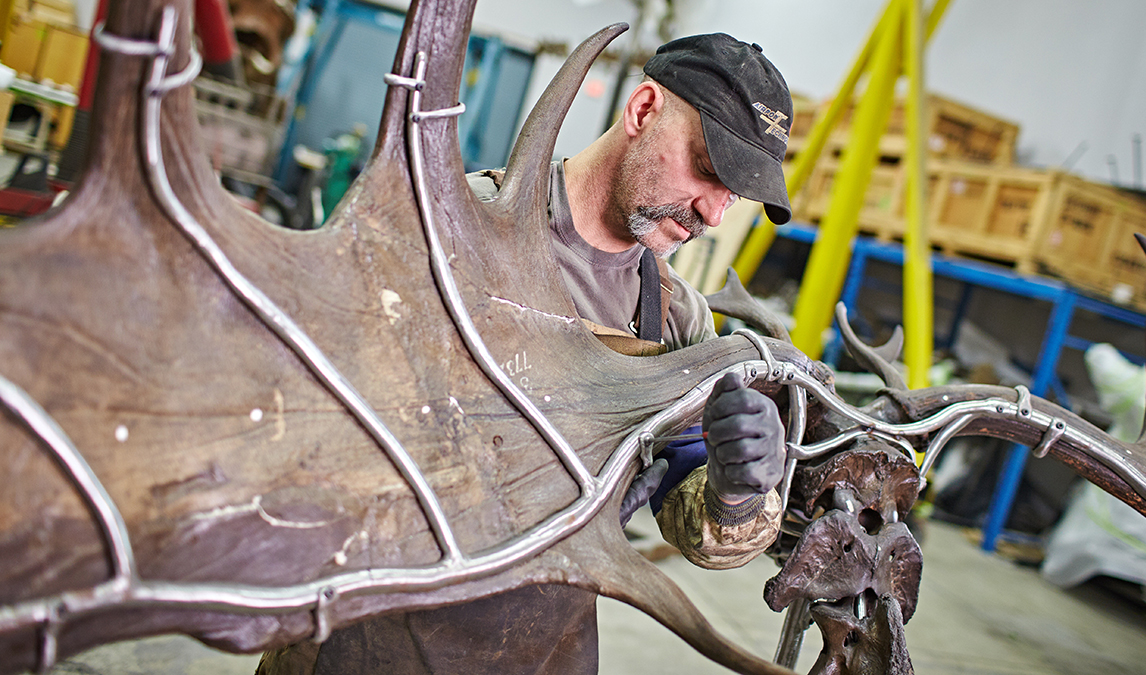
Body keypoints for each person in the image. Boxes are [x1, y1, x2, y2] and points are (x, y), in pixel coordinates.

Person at [258, 32, 794, 675]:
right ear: (644, 109)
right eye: (709, 170)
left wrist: (738, 491)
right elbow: (299, 426)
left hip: (542, 653)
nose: (714, 212)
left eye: (735, 194)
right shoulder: (448, 227)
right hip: (366, 641)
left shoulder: (674, 319)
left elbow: (692, 520)